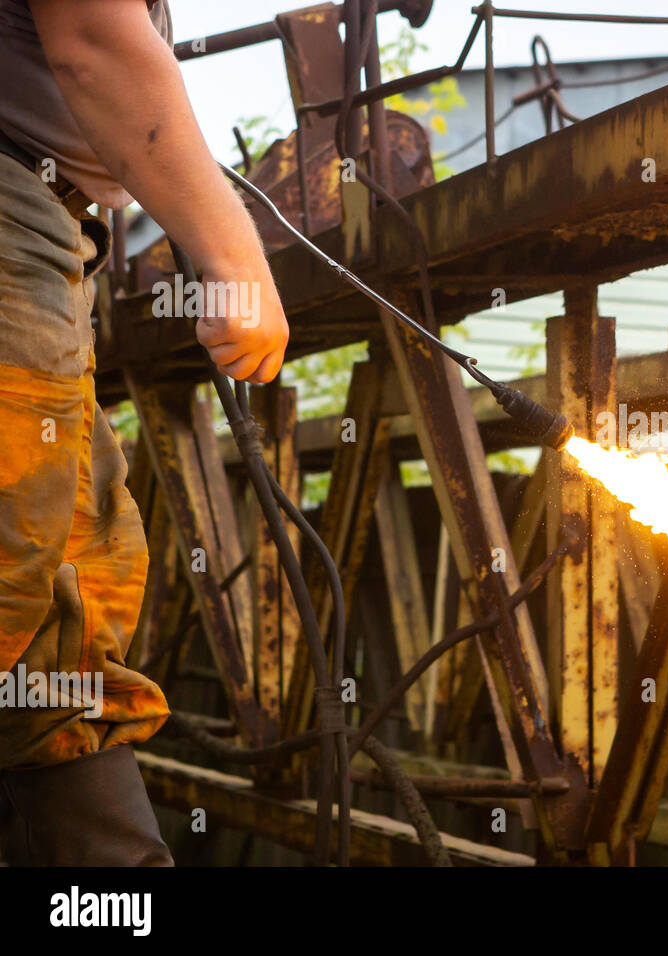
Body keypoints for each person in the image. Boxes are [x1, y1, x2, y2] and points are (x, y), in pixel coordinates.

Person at [0, 0, 289, 864]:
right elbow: (93, 40)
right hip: (15, 223)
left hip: (48, 239)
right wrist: (231, 248)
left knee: (63, 610)